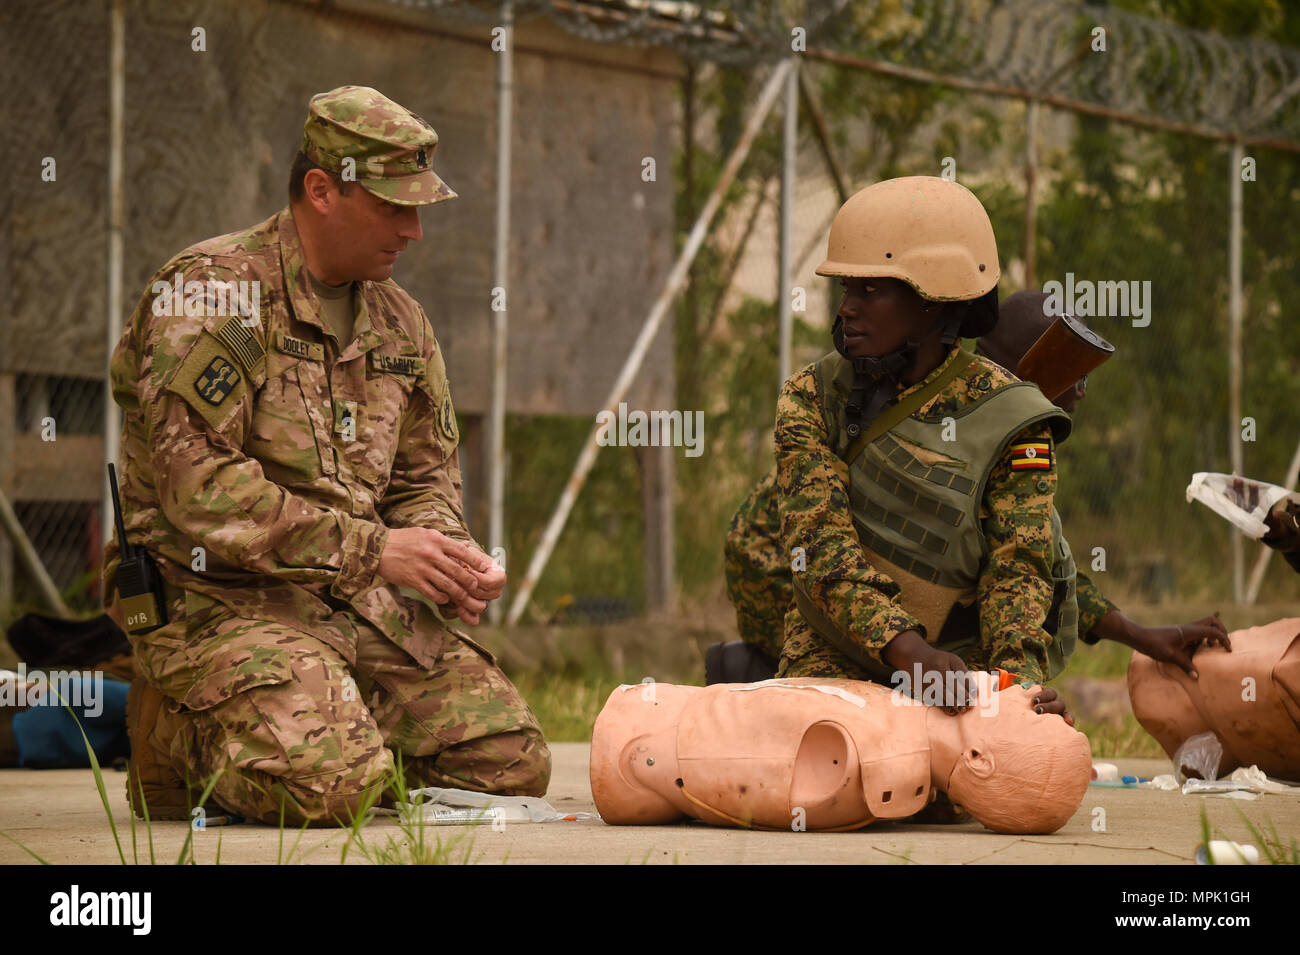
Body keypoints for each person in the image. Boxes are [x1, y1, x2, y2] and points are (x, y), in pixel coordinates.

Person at [102, 86, 550, 826]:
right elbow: (198, 486)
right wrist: (376, 551)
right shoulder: (215, 294)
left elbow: (422, 477)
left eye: (419, 209)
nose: (414, 231)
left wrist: (446, 552)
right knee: (334, 791)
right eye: (393, 206)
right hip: (215, 601)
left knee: (510, 762)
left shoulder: (400, 322)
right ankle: (175, 731)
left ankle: (327, 723)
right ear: (322, 190)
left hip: (350, 606)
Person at [719, 288, 1228, 688]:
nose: (1080, 390)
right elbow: (830, 558)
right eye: (1070, 373)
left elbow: (1026, 556)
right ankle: (753, 677)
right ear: (1021, 371)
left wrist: (1138, 636)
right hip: (779, 568)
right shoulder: (936, 415)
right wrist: (909, 655)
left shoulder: (1005, 431)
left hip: (872, 589)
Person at [771, 177, 1074, 710]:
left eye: (870, 290)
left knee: (988, 781)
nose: (846, 309)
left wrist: (1016, 689)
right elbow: (818, 551)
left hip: (958, 669)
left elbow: (1018, 570)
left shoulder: (1013, 417)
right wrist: (907, 652)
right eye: (846, 289)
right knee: (830, 765)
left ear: (932, 302)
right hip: (838, 657)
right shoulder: (811, 398)